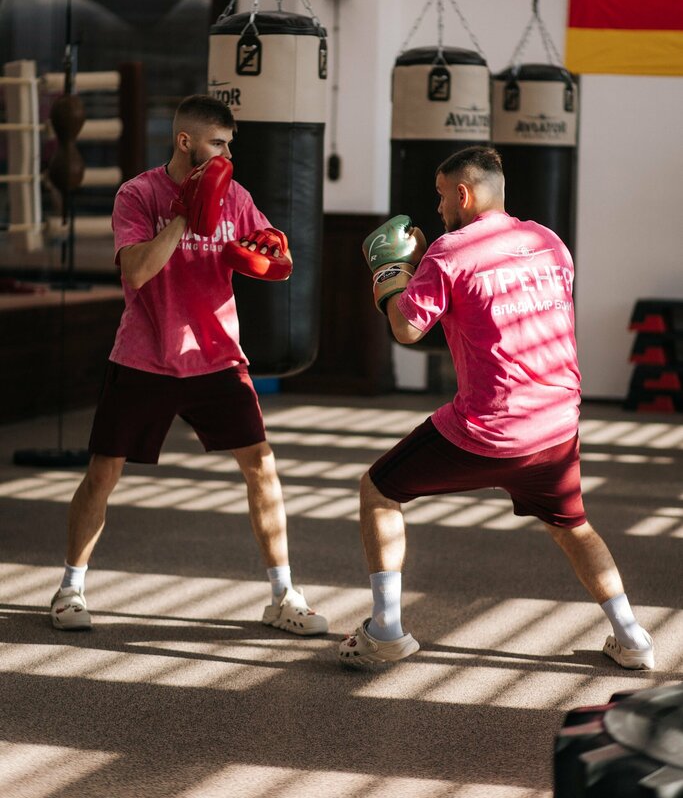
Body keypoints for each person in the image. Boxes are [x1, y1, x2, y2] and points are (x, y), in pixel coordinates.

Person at [339, 145, 653, 670]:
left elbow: (407, 328)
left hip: (487, 428)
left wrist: (392, 269)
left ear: (462, 194)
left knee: (378, 490)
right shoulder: (549, 242)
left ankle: (387, 631)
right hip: (556, 424)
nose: (439, 210)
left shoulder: (449, 250)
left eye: (441, 198)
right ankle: (633, 637)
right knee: (573, 527)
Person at [50, 94, 327, 638]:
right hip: (145, 357)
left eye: (230, 144)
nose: (227, 155)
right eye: (218, 143)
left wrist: (269, 255)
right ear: (185, 141)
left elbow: (274, 255)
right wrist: (183, 216)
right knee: (103, 473)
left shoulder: (237, 196)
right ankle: (69, 588)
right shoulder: (139, 194)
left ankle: (283, 595)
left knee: (262, 468)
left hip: (217, 356)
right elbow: (137, 272)